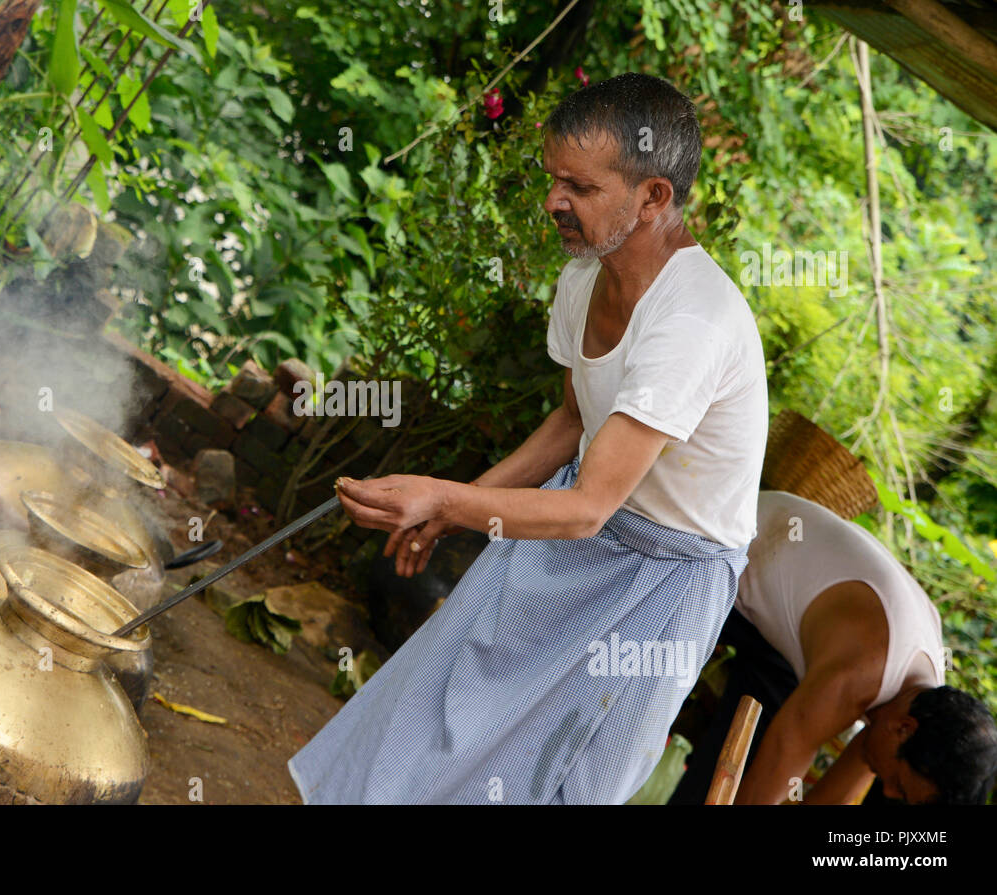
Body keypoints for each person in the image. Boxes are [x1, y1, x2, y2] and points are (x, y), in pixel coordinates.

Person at [286, 72, 769, 804]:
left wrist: (447, 502)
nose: (553, 203)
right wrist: (458, 502)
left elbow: (588, 506)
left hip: (665, 578)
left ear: (653, 197)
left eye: (578, 186)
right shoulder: (584, 278)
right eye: (553, 181)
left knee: (566, 777)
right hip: (572, 526)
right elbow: (573, 423)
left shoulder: (692, 323)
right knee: (442, 702)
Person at [671, 490, 997, 805]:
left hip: (772, 620)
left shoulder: (914, 706)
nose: (889, 793)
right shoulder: (863, 673)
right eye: (898, 783)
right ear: (904, 729)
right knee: (751, 770)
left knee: (752, 748)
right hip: (718, 545)